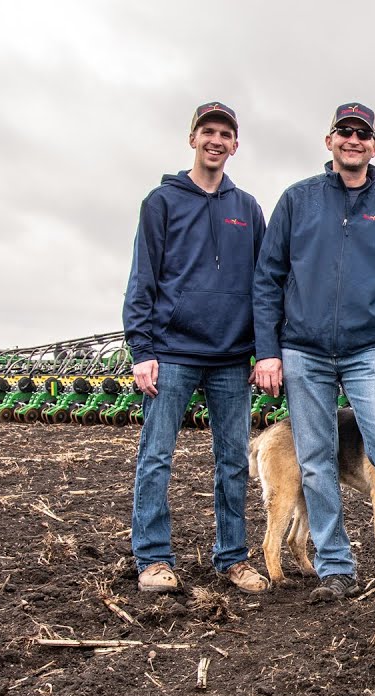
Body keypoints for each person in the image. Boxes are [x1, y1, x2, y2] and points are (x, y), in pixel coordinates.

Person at [252, 102, 375, 601]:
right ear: (330, 141)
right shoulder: (298, 202)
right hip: (304, 350)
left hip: (369, 350)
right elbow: (268, 279)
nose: (353, 140)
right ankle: (336, 567)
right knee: (316, 458)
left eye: (363, 133)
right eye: (345, 131)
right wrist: (267, 351)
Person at [123, 101, 270, 594]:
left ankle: (232, 557)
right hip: (172, 354)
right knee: (157, 456)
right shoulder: (161, 202)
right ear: (193, 139)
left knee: (232, 460)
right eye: (207, 131)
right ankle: (153, 558)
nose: (216, 140)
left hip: (230, 357)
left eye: (225, 133)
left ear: (234, 144)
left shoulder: (246, 208)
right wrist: (142, 350)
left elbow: (265, 284)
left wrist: (264, 348)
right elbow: (143, 278)